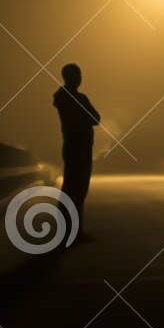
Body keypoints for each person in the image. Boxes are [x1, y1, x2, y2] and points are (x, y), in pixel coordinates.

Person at [53, 63, 100, 238]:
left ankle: (72, 231)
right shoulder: (74, 98)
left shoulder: (62, 97)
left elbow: (95, 118)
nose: (80, 78)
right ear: (70, 77)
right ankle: (70, 231)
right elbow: (95, 117)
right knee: (75, 189)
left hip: (77, 147)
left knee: (75, 189)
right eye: (77, 75)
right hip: (77, 148)